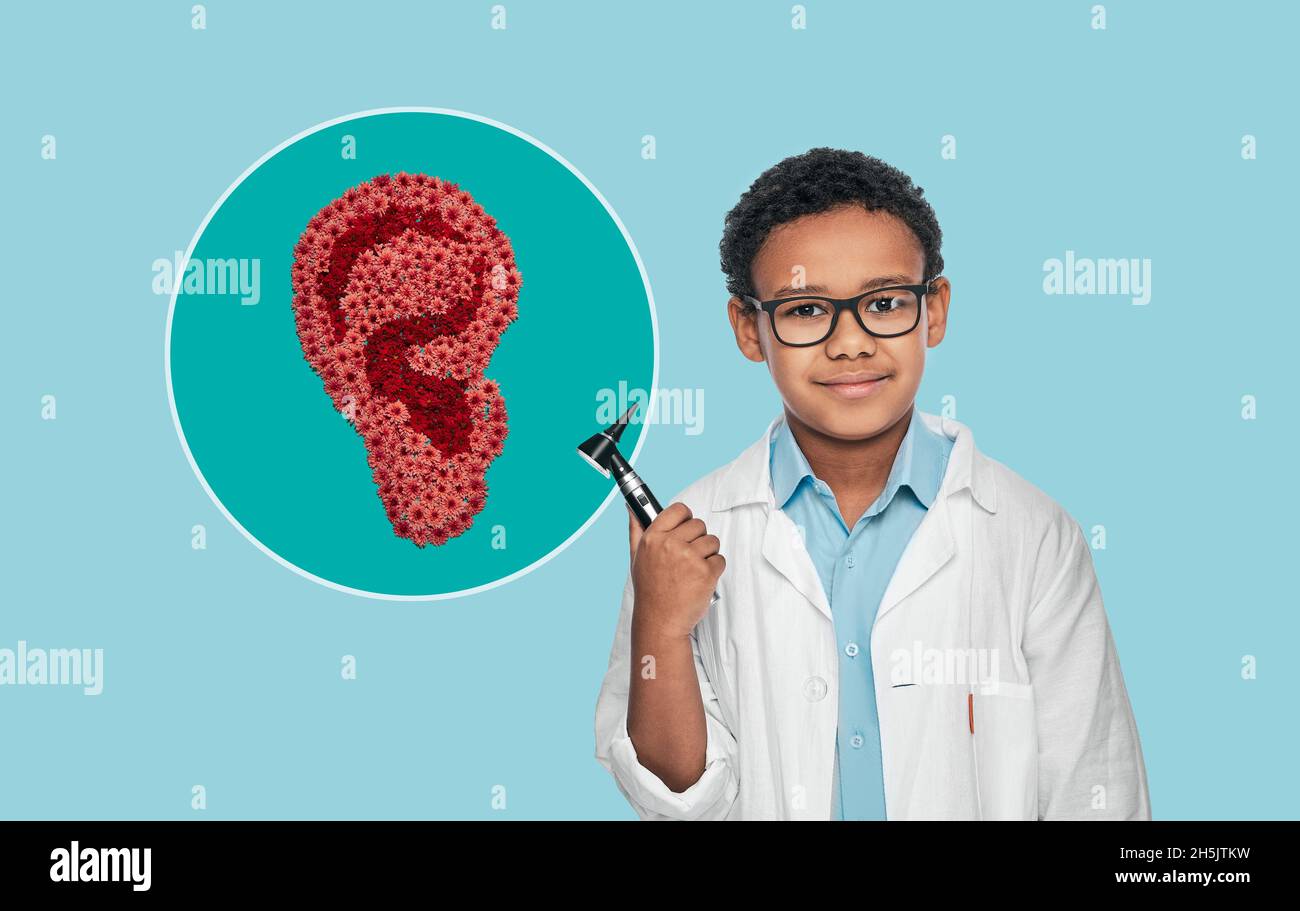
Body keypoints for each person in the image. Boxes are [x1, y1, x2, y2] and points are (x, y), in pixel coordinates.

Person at [593, 147, 1151, 820]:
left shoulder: (1031, 533)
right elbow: (677, 799)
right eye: (804, 310)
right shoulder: (687, 536)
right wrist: (661, 623)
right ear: (748, 328)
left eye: (884, 302)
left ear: (934, 309)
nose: (850, 342)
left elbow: (1096, 785)